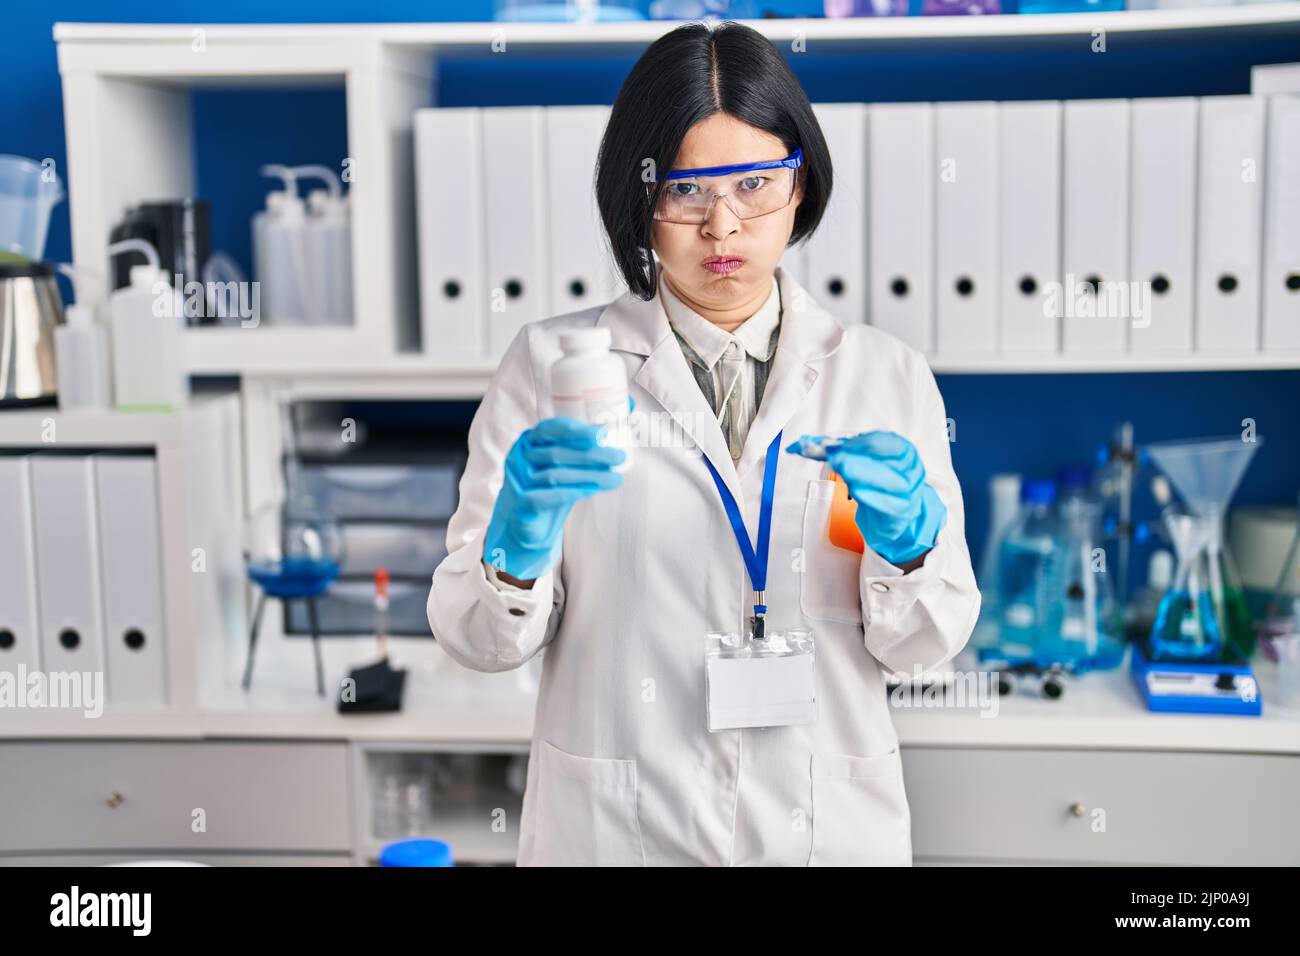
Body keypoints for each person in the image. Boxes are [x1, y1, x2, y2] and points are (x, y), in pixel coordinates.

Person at [427, 20, 980, 866]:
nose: (723, 227)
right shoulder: (549, 366)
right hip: (617, 833)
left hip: (823, 832)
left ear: (800, 186)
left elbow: (923, 648)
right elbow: (474, 640)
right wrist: (514, 546)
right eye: (686, 190)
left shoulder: (886, 377)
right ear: (636, 199)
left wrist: (911, 554)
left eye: (755, 183)